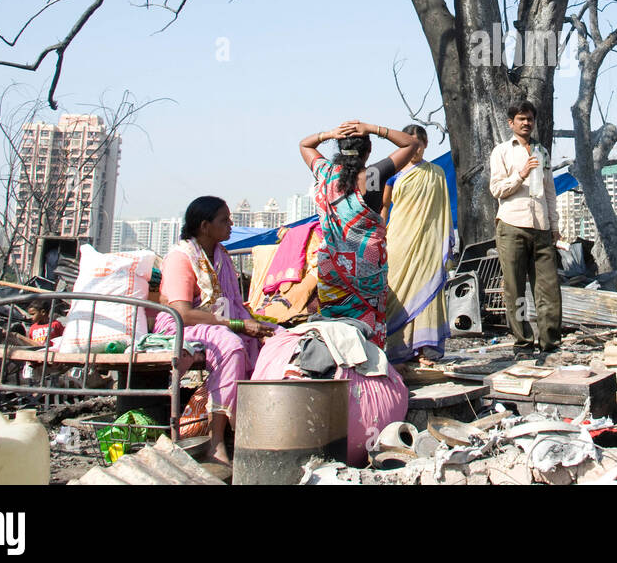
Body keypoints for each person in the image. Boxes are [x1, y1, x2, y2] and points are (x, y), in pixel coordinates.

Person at [154, 196, 275, 464]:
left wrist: (256, 326)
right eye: (225, 220)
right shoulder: (180, 258)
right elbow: (183, 313)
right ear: (205, 226)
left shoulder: (221, 256)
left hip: (218, 325)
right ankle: (216, 441)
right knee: (231, 346)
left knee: (275, 338)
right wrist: (237, 325)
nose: (231, 225)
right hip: (182, 328)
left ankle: (252, 429)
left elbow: (233, 307)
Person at [298, 120, 420, 347]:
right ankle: (370, 371)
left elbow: (304, 145)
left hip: (333, 266)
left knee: (334, 324)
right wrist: (374, 128)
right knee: (368, 320)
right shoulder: (373, 175)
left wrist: (328, 134)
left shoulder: (325, 173)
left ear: (339, 149)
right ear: (369, 150)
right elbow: (411, 145)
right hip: (367, 265)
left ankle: (339, 369)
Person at [490, 100, 562, 357]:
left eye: (530, 118)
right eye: (521, 119)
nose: (526, 123)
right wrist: (520, 175)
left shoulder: (542, 152)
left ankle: (550, 342)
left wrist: (555, 226)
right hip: (512, 225)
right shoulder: (501, 151)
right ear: (511, 123)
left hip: (541, 226)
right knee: (515, 288)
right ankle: (523, 342)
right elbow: (496, 189)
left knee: (548, 289)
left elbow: (550, 191)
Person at [382, 125, 454, 365]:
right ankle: (397, 348)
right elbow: (384, 206)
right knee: (397, 290)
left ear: (426, 144)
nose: (416, 148)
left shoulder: (437, 173)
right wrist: (378, 235)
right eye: (410, 143)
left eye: (420, 143)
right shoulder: (392, 173)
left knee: (428, 289)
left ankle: (424, 350)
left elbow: (442, 211)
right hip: (400, 239)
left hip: (428, 242)